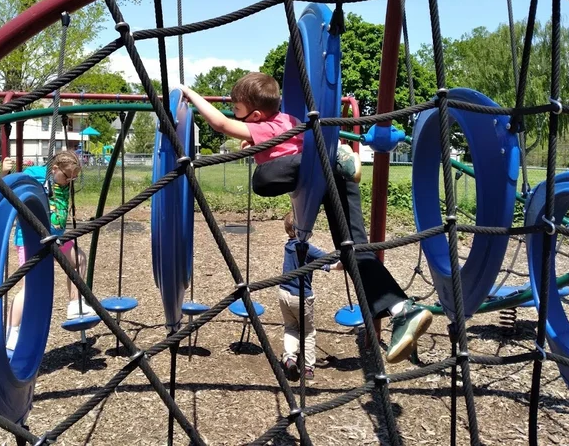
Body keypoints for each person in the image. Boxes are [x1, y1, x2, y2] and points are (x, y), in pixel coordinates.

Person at [180, 73, 432, 364]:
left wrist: (191, 94)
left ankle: (331, 154)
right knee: (353, 251)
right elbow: (278, 143)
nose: (234, 115)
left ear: (256, 114)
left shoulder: (267, 125)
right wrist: (255, 147)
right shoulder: (287, 120)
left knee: (262, 179)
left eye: (237, 110)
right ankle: (403, 310)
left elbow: (220, 124)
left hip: (317, 167)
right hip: (336, 180)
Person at [2, 151, 93, 351]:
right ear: (54, 169)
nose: (70, 181)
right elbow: (11, 188)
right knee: (30, 287)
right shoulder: (37, 174)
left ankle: (74, 305)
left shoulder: (64, 182)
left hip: (57, 239)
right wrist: (5, 173)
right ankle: (12, 331)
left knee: (79, 260)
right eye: (67, 176)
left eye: (74, 178)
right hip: (31, 239)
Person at [278, 212, 340, 383]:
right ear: (301, 229)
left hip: (284, 294)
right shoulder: (306, 247)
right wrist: (346, 254)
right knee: (308, 332)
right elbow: (331, 257)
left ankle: (290, 358)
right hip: (301, 297)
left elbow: (313, 264)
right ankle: (308, 368)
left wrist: (332, 267)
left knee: (291, 327)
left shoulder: (288, 246)